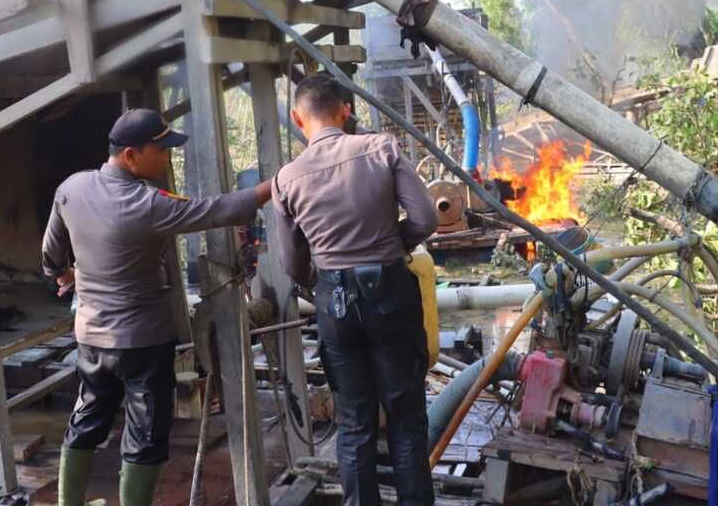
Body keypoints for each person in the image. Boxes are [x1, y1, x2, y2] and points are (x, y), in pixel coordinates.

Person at [41, 108, 272, 506]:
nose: (166, 157)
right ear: (130, 155)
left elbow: (50, 256)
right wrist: (275, 185)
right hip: (142, 343)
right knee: (145, 435)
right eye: (160, 149)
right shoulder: (147, 203)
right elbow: (218, 210)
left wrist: (66, 275)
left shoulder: (70, 188)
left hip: (91, 340)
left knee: (88, 417)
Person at [268, 75, 439, 506]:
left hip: (335, 305)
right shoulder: (381, 149)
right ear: (346, 109)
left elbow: (291, 263)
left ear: (297, 117)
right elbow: (425, 218)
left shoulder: (287, 179)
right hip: (391, 297)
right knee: (405, 419)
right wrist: (389, 246)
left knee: (355, 423)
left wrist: (324, 280)